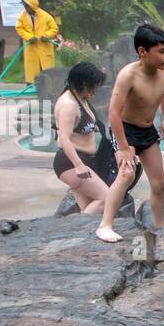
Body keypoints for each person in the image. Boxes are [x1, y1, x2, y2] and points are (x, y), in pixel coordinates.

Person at [96, 24, 164, 243]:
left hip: (147, 131)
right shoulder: (128, 75)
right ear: (142, 51)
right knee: (126, 175)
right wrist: (123, 148)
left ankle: (161, 228)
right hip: (125, 130)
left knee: (160, 183)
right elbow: (113, 113)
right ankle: (105, 225)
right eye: (161, 51)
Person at [53, 62, 121, 215]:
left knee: (90, 207)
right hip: (70, 163)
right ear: (83, 83)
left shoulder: (80, 98)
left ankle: (83, 234)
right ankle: (74, 228)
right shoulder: (69, 104)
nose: (95, 91)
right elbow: (64, 138)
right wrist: (78, 165)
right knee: (107, 199)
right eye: (93, 86)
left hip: (84, 160)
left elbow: (81, 126)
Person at [14, 0, 58, 82]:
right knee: (32, 68)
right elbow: (19, 28)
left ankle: (48, 86)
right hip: (31, 46)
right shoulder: (22, 16)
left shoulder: (45, 16)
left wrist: (46, 35)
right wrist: (29, 37)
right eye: (24, 6)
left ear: (32, 6)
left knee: (46, 68)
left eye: (27, 6)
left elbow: (54, 28)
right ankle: (31, 85)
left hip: (44, 46)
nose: (25, 8)